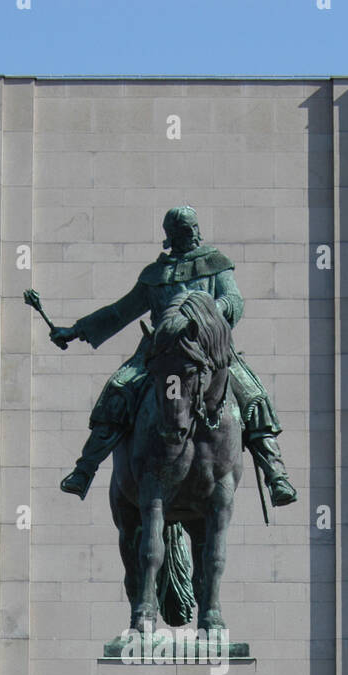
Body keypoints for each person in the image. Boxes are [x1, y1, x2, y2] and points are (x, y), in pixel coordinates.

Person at [31, 205, 298, 508]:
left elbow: (233, 300)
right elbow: (121, 312)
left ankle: (276, 474)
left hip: (209, 350)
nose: (193, 235)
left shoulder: (216, 264)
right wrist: (76, 330)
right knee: (117, 391)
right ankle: (85, 469)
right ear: (171, 236)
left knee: (254, 396)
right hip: (160, 353)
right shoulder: (156, 275)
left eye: (195, 229)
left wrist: (207, 311)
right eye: (186, 231)